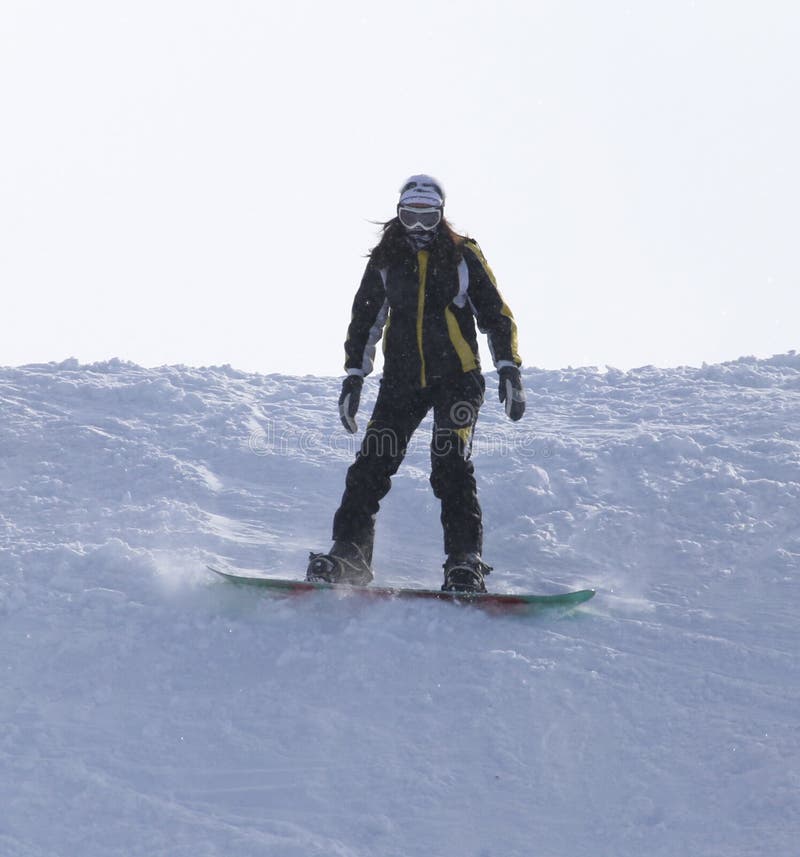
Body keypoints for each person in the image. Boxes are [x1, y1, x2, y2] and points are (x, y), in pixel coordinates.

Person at [307, 174, 526, 593]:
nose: (420, 227)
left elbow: (495, 314)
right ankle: (349, 554)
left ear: (441, 216)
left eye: (428, 217)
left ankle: (465, 562)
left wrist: (508, 367)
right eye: (411, 215)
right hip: (402, 382)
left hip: (458, 380)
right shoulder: (387, 259)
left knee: (450, 463)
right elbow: (366, 320)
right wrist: (354, 377)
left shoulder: (463, 256)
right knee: (372, 463)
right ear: (399, 214)